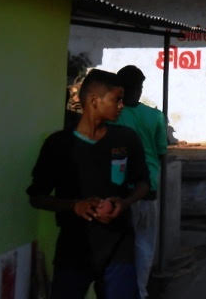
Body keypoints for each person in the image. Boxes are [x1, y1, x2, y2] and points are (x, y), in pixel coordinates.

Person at [27, 69, 149, 299]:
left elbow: (143, 183)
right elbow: (36, 196)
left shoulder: (126, 139)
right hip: (74, 248)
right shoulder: (59, 144)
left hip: (118, 246)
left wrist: (124, 203)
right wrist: (75, 206)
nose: (122, 105)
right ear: (94, 100)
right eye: (117, 99)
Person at [115, 65, 167, 299]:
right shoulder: (154, 116)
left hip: (121, 189)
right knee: (144, 246)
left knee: (121, 246)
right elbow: (161, 153)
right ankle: (140, 291)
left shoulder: (112, 115)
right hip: (147, 189)